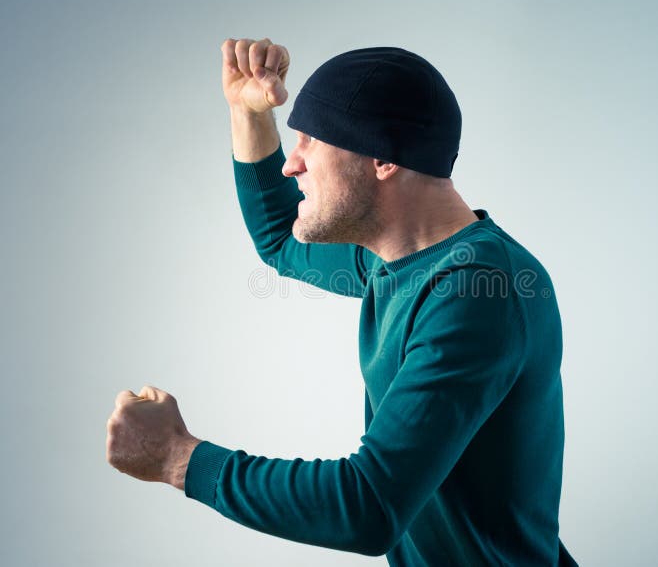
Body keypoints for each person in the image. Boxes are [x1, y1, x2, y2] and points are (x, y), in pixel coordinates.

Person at [106, 37, 579, 566]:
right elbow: (281, 241)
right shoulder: (399, 259)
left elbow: (368, 507)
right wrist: (247, 111)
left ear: (382, 158)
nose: (292, 164)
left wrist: (178, 458)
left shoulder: (475, 292)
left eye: (310, 140)